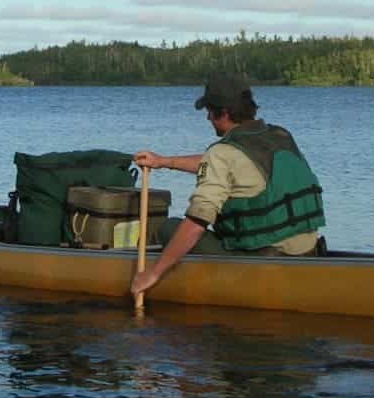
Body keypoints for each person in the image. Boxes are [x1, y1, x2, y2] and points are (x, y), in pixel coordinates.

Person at [130, 74, 326, 297]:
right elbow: (229, 166)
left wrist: (153, 273)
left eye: (210, 112)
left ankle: (161, 276)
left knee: (168, 228)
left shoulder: (222, 154)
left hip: (264, 258)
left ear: (223, 113)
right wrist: (164, 162)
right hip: (307, 251)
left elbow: (196, 224)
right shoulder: (279, 135)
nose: (207, 118)